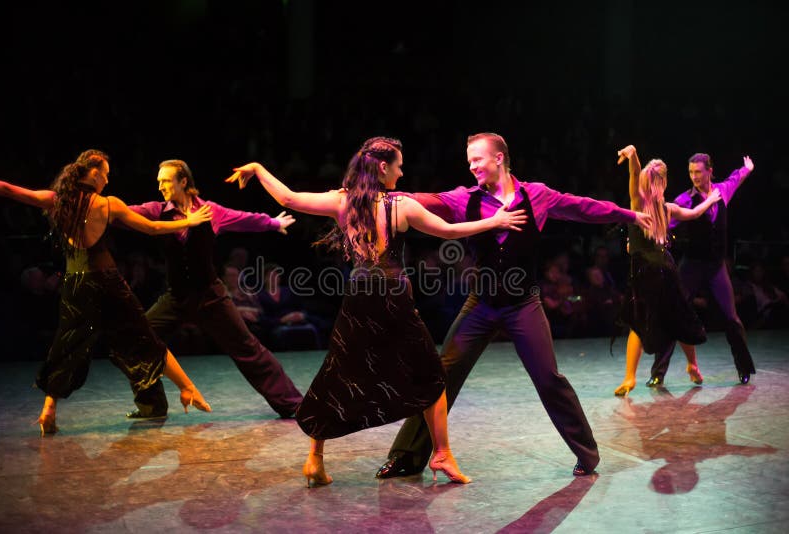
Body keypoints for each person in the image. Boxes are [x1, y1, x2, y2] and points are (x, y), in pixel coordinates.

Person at [228, 136, 527, 485]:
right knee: (430, 376)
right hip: (393, 296)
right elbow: (448, 232)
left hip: (359, 295)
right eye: (398, 165)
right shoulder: (400, 205)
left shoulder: (343, 202)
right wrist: (494, 222)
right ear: (383, 167)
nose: (401, 172)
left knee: (337, 373)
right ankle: (442, 454)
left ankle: (315, 458)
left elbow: (289, 199)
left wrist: (258, 169)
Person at [375, 132, 654, 479]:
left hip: (523, 303)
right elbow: (421, 199)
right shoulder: (465, 199)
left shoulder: (537, 195)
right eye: (469, 161)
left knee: (549, 378)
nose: (472, 166)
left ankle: (587, 455)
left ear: (499, 158)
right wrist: (375, 195)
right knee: (440, 375)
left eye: (477, 159)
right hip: (482, 303)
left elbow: (583, 207)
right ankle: (406, 456)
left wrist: (628, 215)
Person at [0, 150, 213, 435]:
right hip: (108, 283)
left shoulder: (56, 200)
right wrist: (187, 222)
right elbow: (153, 227)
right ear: (93, 172)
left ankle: (49, 407)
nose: (107, 179)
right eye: (105, 173)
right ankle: (188, 388)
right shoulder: (108, 204)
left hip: (76, 284)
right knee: (144, 336)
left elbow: (8, 190)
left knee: (67, 345)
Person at [121, 159, 304, 419]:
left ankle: (294, 404)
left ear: (183, 181)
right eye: (159, 181)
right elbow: (121, 214)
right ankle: (152, 406)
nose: (160, 186)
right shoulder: (155, 211)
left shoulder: (210, 211)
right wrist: (93, 208)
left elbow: (244, 219)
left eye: (165, 180)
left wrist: (273, 223)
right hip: (176, 297)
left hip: (210, 295)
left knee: (248, 350)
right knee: (136, 340)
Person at [612, 145, 721, 396]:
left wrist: (633, 153)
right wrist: (711, 200)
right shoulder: (666, 208)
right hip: (664, 268)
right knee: (679, 318)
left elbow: (634, 173)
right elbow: (693, 213)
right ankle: (692, 365)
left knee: (639, 324)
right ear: (664, 181)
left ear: (644, 181)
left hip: (646, 272)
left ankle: (630, 377)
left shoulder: (639, 203)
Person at [647, 153, 756, 386]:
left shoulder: (722, 191)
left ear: (709, 171)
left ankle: (744, 368)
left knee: (731, 318)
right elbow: (666, 217)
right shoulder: (686, 199)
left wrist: (747, 168)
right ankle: (658, 373)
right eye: (691, 172)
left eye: (698, 171)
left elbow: (736, 179)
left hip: (716, 266)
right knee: (674, 312)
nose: (694, 177)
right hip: (692, 265)